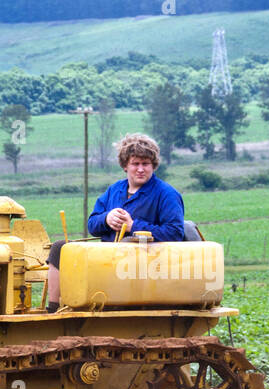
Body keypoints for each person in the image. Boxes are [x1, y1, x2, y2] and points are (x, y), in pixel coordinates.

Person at [45, 133, 185, 311]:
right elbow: (92, 225)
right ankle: (54, 309)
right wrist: (106, 219)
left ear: (153, 165)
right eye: (135, 164)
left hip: (141, 264)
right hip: (107, 258)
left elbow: (174, 233)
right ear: (125, 165)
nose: (140, 169)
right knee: (60, 248)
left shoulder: (166, 194)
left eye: (146, 164)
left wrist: (134, 226)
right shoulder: (114, 190)